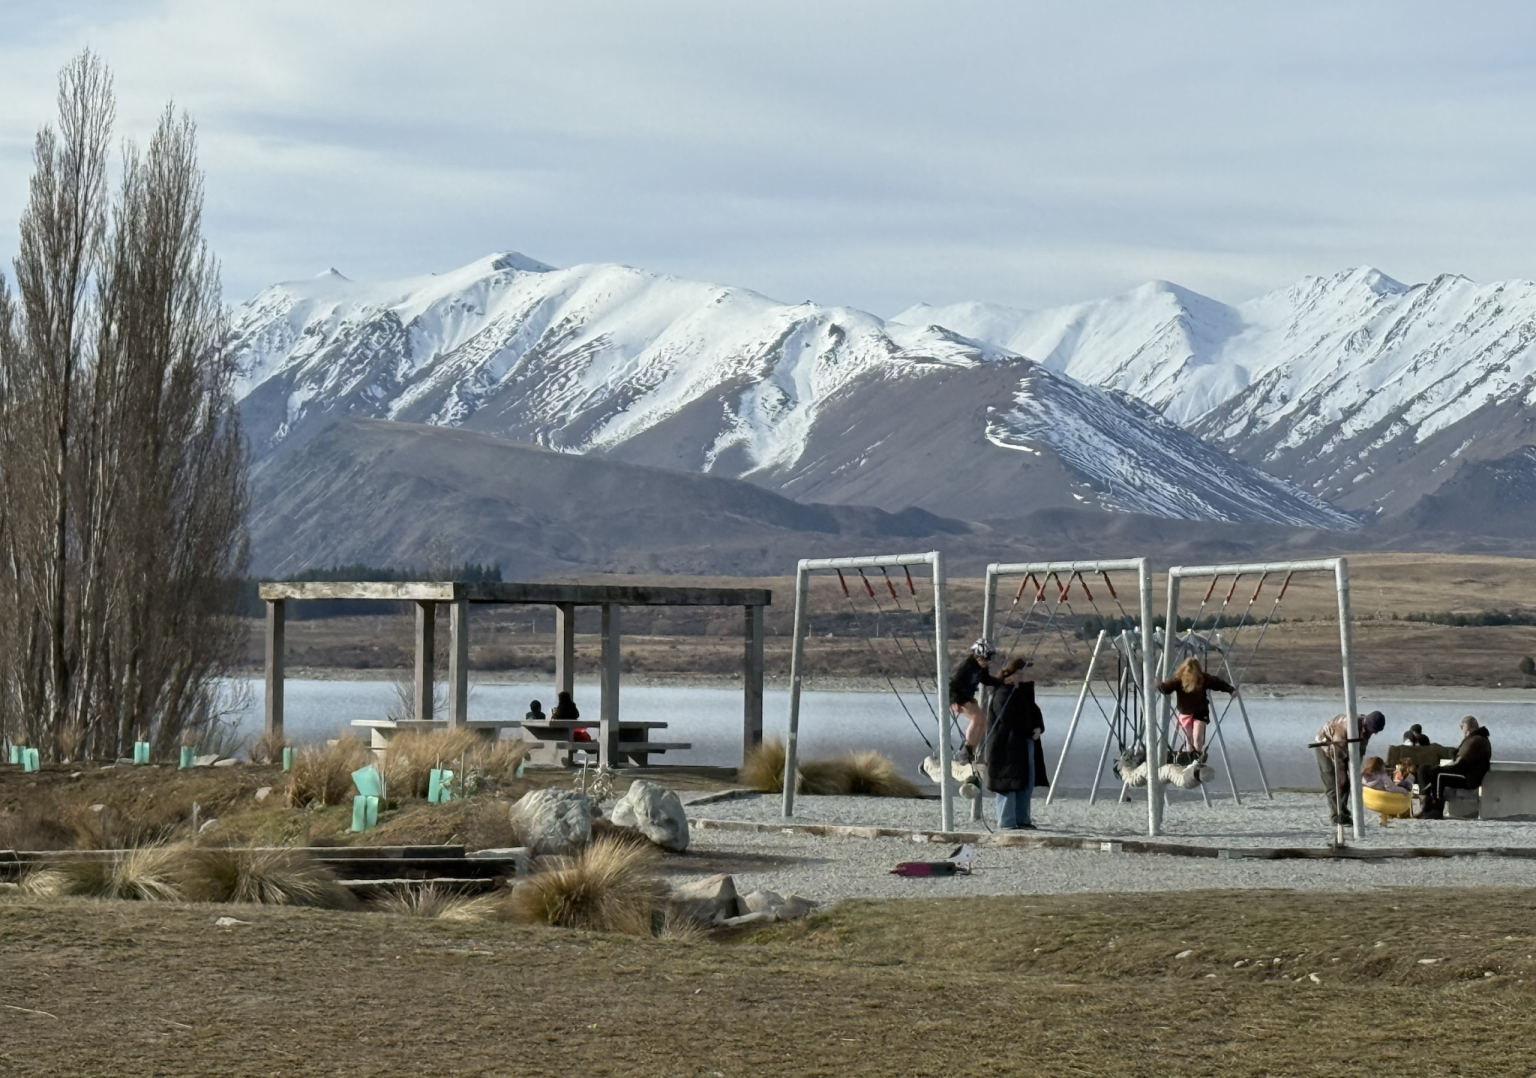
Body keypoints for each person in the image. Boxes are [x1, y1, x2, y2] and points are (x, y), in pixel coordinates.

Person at [985, 657, 1049, 830]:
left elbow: (1034, 711)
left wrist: (1038, 728)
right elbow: (1009, 719)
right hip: (1006, 747)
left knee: (1025, 782)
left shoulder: (1019, 692)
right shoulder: (1002, 693)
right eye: (1019, 672)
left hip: (1022, 743)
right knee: (1008, 783)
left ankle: (1022, 819)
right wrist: (1030, 731)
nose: (1022, 675)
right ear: (1011, 674)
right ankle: (1007, 821)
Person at [1313, 710, 1386, 827]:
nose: (1372, 734)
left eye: (1375, 732)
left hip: (1346, 748)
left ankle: (1343, 811)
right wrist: (1342, 775)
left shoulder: (1367, 731)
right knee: (1334, 781)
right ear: (1367, 725)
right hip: (1326, 746)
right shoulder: (1346, 726)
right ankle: (1336, 816)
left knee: (1349, 781)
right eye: (1372, 731)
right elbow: (1337, 753)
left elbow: (1361, 749)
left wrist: (1357, 770)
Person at [1414, 716, 1492, 819]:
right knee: (1424, 769)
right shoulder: (1473, 739)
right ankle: (1427, 805)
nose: (1462, 732)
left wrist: (1440, 769)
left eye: (1462, 728)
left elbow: (1461, 765)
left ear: (1466, 728)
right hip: (1464, 772)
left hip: (1469, 778)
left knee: (1439, 775)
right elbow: (1460, 760)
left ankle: (1436, 808)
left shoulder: (1476, 741)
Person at [1156, 657, 1235, 758]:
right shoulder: (1178, 679)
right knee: (1189, 738)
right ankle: (1189, 756)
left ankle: (1197, 755)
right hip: (1185, 713)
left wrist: (1231, 690)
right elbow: (1167, 688)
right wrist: (1159, 685)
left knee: (1197, 736)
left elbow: (1217, 683)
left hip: (1200, 712)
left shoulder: (1202, 678)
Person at [949, 639, 1004, 760]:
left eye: (989, 659)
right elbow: (951, 684)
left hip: (967, 697)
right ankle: (965, 751)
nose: (987, 662)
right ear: (978, 656)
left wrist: (1002, 682)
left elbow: (986, 679)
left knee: (983, 721)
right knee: (976, 718)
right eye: (985, 659)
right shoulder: (964, 666)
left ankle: (970, 750)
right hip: (958, 698)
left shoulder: (981, 666)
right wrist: (953, 702)